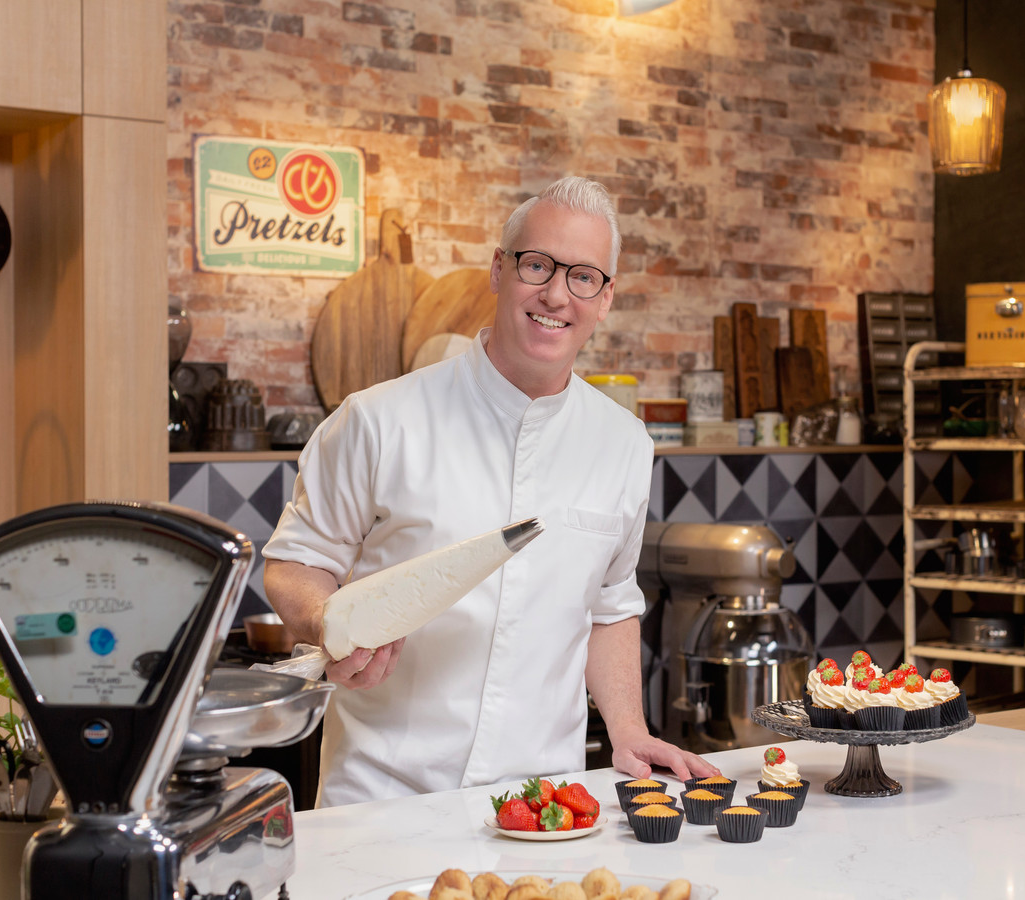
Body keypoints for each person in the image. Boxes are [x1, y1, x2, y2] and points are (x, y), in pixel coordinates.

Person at [263, 176, 718, 806]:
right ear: (499, 269)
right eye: (538, 265)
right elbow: (296, 563)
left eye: (583, 277)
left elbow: (610, 606)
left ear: (606, 297)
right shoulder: (378, 419)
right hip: (383, 795)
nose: (556, 294)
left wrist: (630, 730)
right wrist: (327, 624)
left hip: (543, 802)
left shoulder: (624, 444)